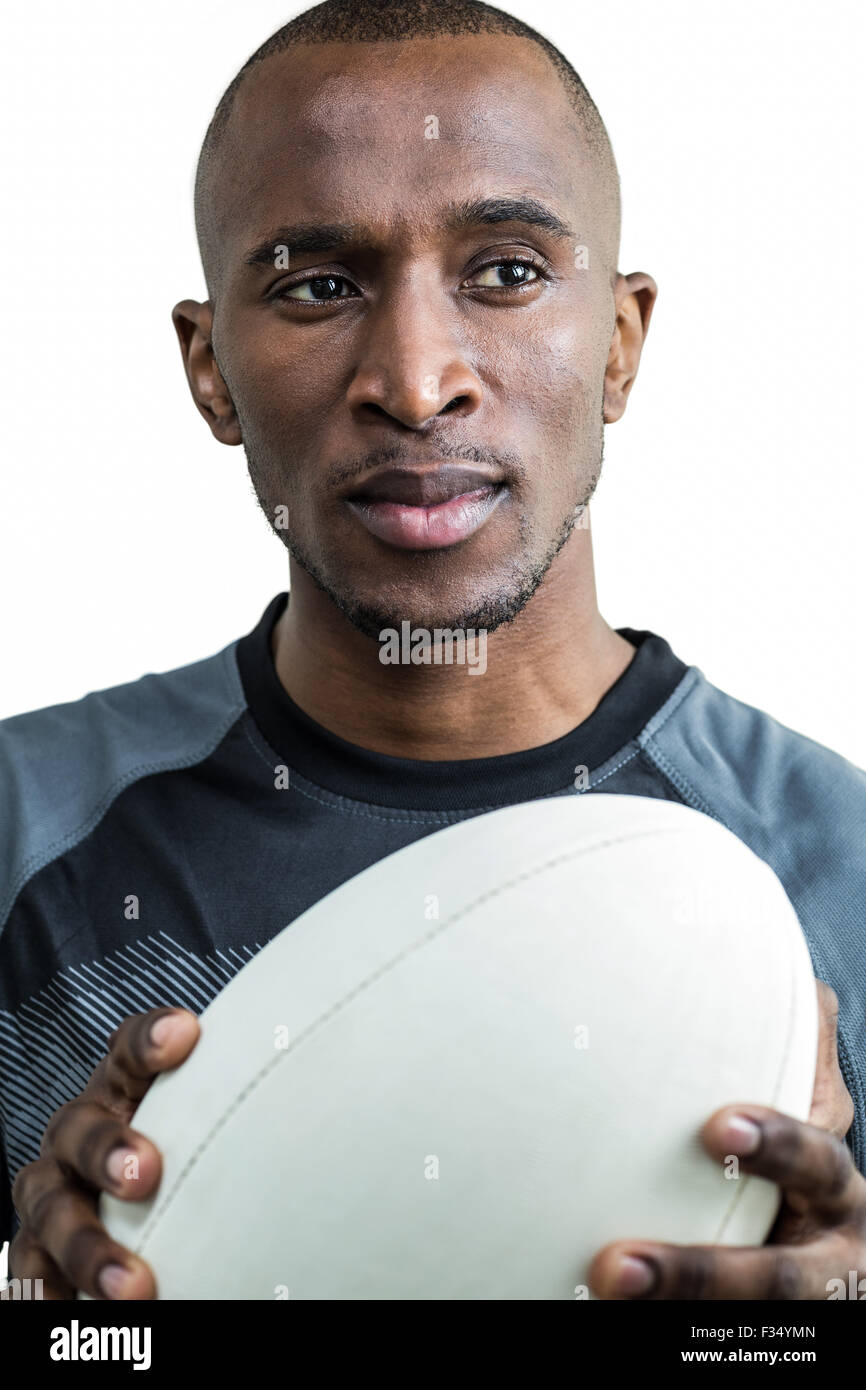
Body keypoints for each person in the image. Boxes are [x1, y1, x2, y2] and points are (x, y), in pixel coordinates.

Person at [2, 0, 864, 1302]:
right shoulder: (24, 828)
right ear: (210, 371)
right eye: (318, 285)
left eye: (507, 271)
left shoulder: (833, 864)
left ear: (621, 344)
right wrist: (52, 1323)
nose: (415, 381)